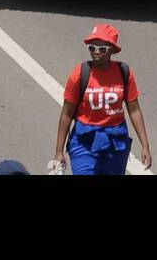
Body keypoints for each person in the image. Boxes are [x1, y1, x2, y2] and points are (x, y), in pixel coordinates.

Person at [53, 24, 151, 176]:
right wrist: (59, 152)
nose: (96, 53)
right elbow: (66, 113)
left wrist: (145, 145)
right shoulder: (80, 73)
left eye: (102, 49)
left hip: (115, 143)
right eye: (92, 48)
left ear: (111, 49)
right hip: (84, 142)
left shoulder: (124, 72)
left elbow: (134, 110)